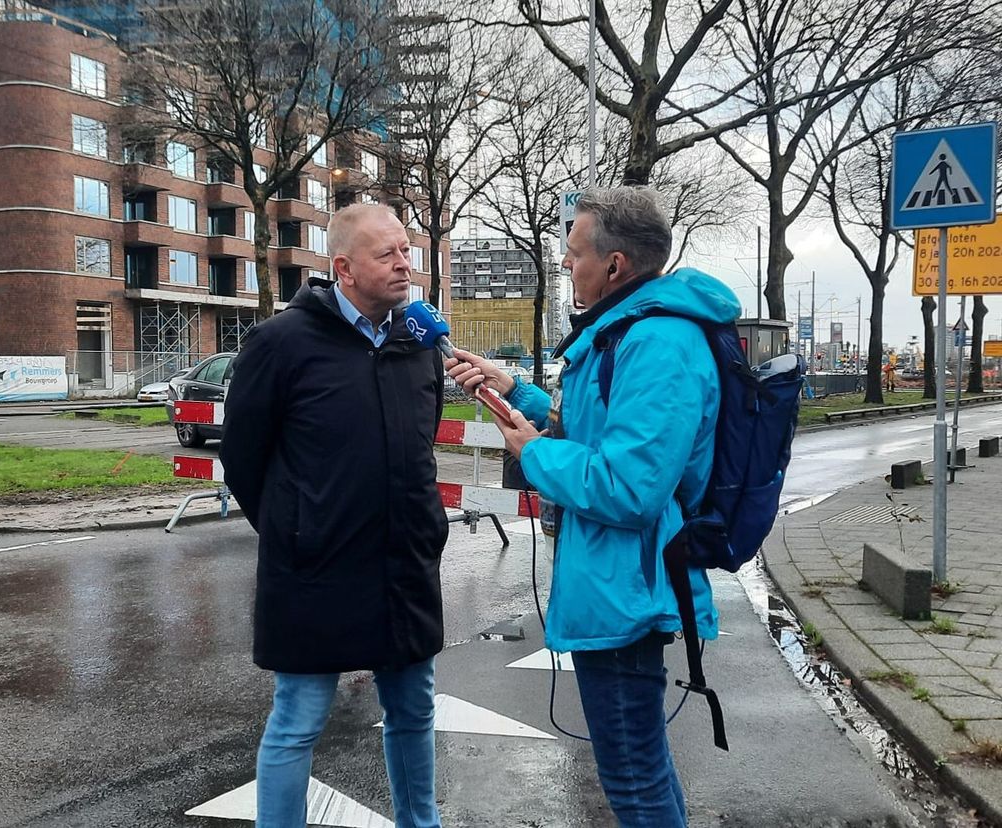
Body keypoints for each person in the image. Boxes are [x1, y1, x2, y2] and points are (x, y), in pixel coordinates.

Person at [446, 187, 740, 828]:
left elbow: (631, 487)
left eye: (574, 255)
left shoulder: (657, 343)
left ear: (614, 266)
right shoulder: (627, 333)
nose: (566, 267)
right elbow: (596, 430)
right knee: (640, 767)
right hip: (615, 580)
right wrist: (514, 391)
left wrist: (537, 455)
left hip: (628, 587)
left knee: (633, 777)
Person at [220, 203, 448, 828]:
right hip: (315, 569)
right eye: (388, 255)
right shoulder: (281, 343)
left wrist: (426, 525)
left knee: (413, 710)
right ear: (343, 268)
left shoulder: (417, 342)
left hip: (403, 564)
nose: (406, 265)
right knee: (297, 720)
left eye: (407, 250)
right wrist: (299, 528)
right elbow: (243, 459)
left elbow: (419, 443)